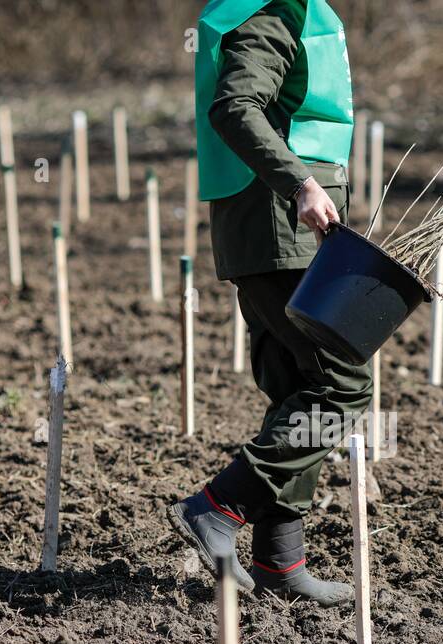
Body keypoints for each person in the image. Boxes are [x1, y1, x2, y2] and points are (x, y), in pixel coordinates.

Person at [169, 0, 366, 607]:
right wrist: (301, 184)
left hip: (271, 231)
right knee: (342, 386)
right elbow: (235, 107)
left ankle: (281, 562)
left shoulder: (279, 9)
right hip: (283, 231)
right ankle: (217, 507)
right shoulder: (272, 11)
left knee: (294, 388)